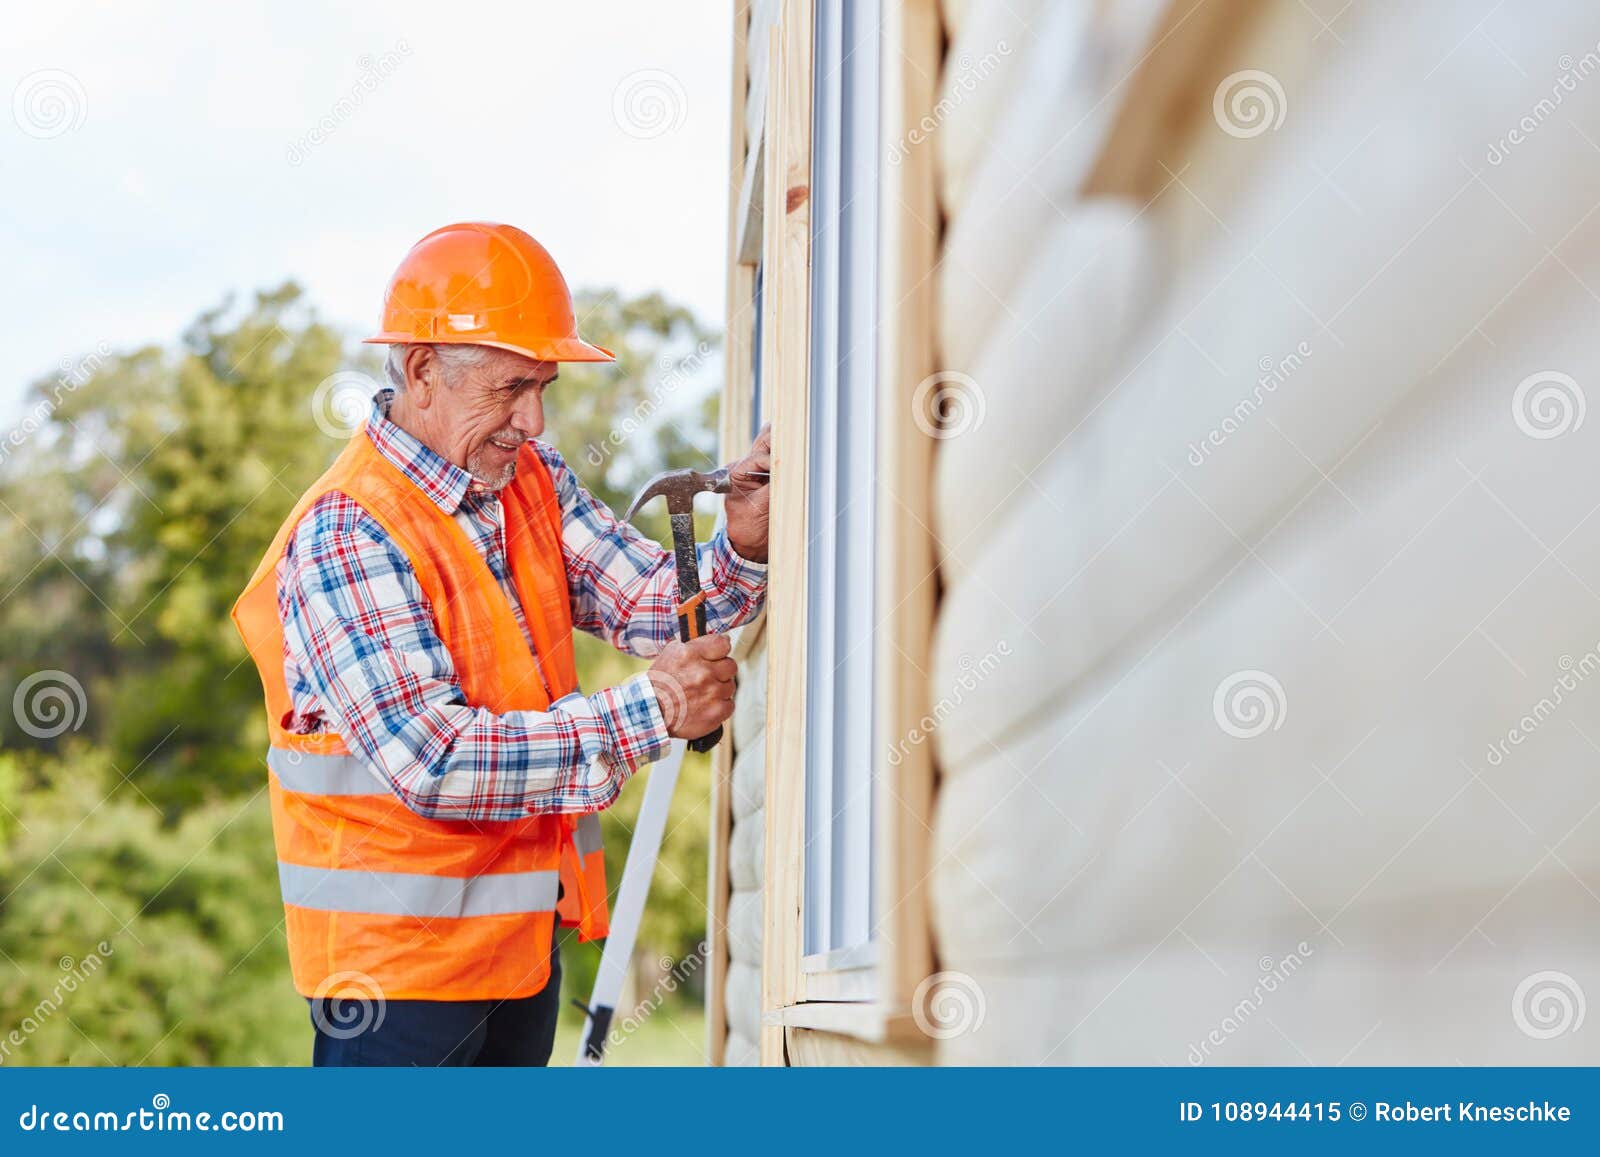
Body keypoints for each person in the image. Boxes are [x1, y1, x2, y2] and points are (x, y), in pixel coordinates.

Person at [231, 222, 770, 1066]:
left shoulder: (530, 481)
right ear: (421, 372)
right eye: (514, 387)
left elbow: (661, 607)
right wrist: (653, 709)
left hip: (519, 959)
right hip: (394, 985)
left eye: (544, 386)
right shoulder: (349, 528)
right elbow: (433, 760)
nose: (536, 418)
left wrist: (741, 544)